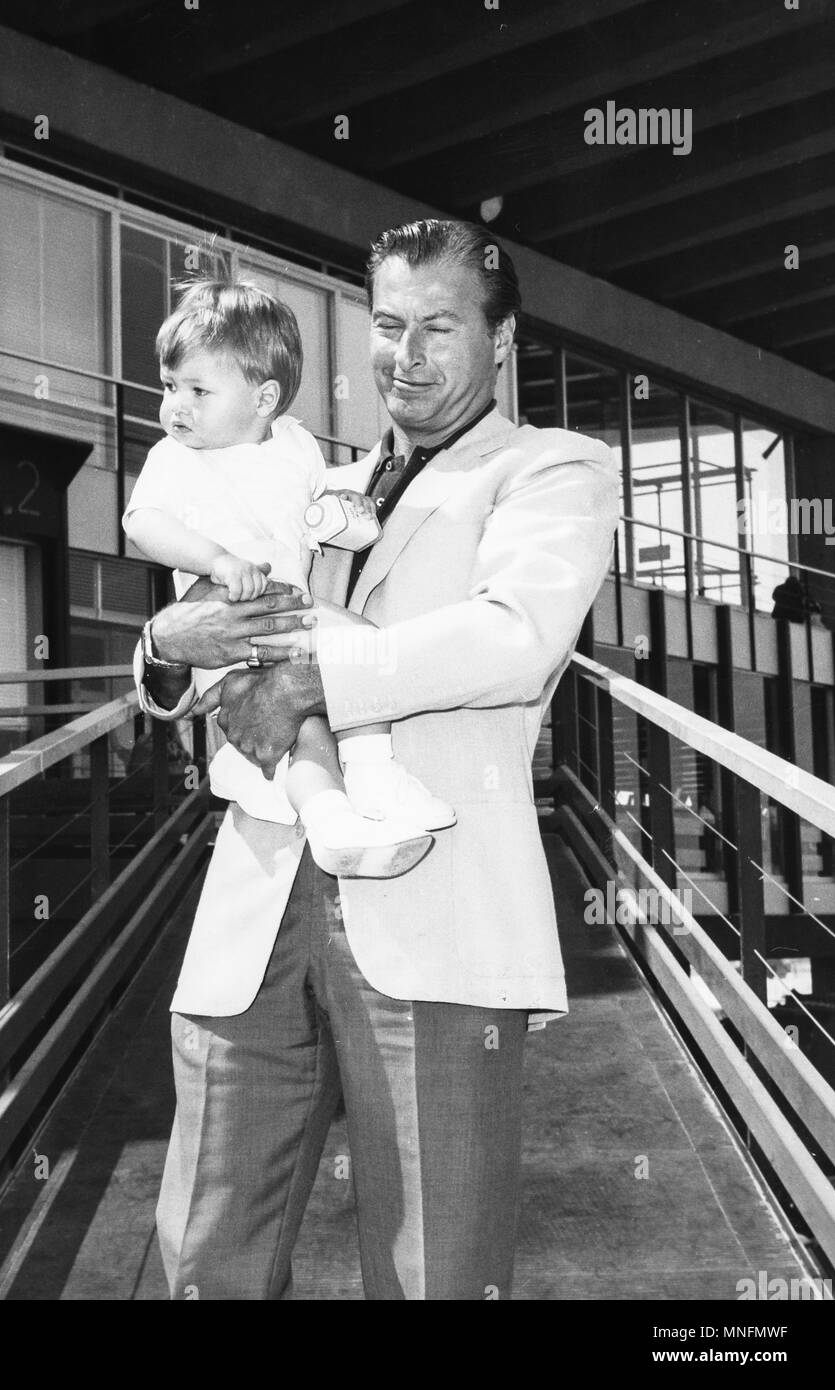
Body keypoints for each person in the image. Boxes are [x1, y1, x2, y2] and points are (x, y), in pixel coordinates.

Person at [135, 218, 621, 1300]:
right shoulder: (303, 472)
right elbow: (212, 608)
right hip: (256, 900)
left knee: (430, 1270)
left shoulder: (553, 469)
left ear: (500, 338)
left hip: (435, 912)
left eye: (438, 326)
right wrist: (163, 648)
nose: (405, 353)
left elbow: (512, 637)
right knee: (201, 1260)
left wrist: (320, 675)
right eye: (388, 323)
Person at [124, 278, 453, 878]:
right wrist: (216, 560)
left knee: (317, 717)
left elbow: (319, 507)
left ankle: (340, 814)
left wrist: (338, 517)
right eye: (170, 386)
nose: (177, 406)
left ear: (264, 397)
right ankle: (369, 780)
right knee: (354, 649)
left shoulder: (297, 446)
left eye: (199, 390)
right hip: (230, 615)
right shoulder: (174, 458)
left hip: (289, 616)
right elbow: (141, 522)